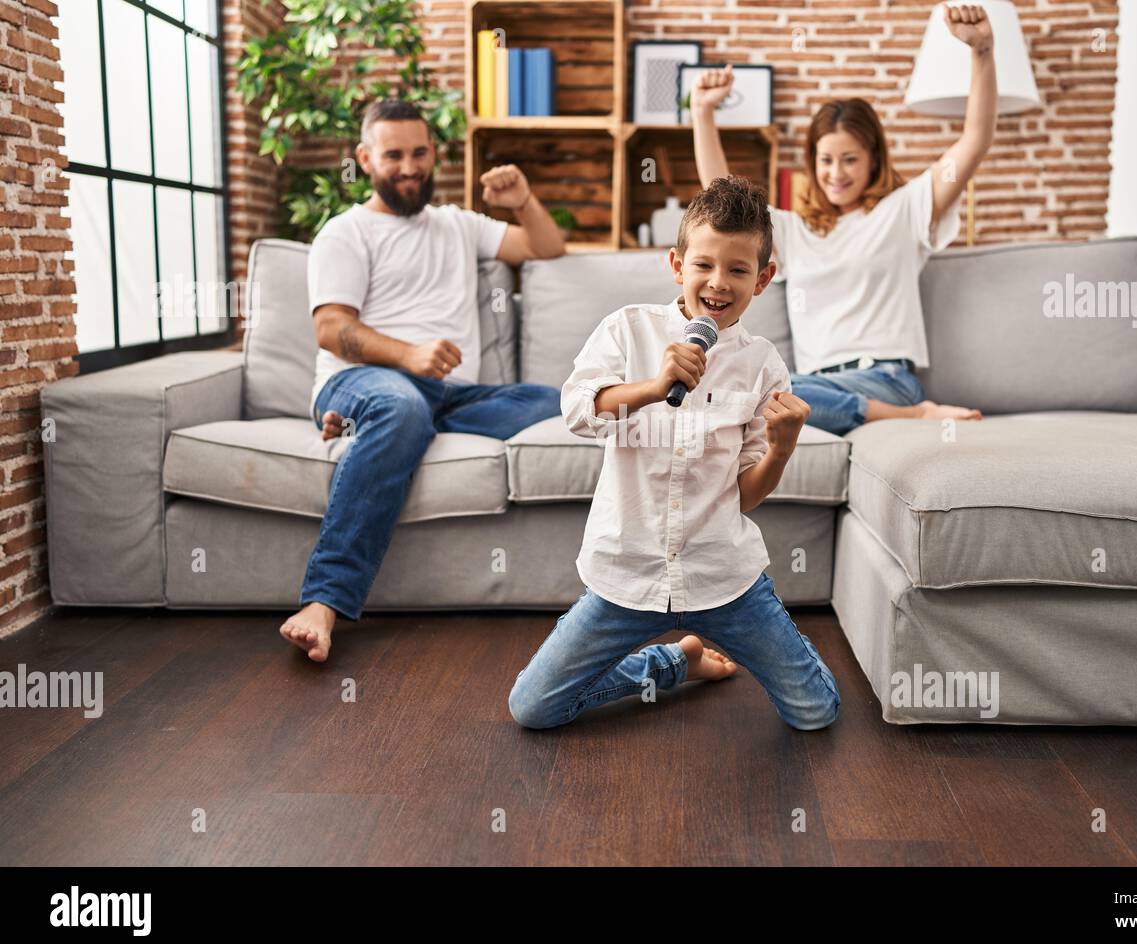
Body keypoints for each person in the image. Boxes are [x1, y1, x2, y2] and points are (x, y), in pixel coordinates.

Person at [508, 175, 841, 731]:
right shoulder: (627, 330)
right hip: (626, 575)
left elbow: (746, 498)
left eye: (738, 270)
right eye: (704, 265)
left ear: (763, 280)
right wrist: (651, 385)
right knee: (534, 707)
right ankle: (672, 663)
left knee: (816, 713)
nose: (718, 282)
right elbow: (578, 413)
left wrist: (782, 449)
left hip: (723, 578)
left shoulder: (763, 365)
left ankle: (779, 643)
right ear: (676, 265)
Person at [280, 98, 567, 662]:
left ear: (433, 154)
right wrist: (408, 355)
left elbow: (545, 247)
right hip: (362, 380)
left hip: (451, 396)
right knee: (400, 407)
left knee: (564, 404)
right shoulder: (345, 233)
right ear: (365, 158)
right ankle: (324, 601)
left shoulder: (458, 225)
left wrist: (522, 202)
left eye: (418, 153)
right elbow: (331, 327)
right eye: (393, 155)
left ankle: (368, 432)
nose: (408, 166)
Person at [689, 3, 998, 434]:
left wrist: (982, 51)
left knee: (765, 389)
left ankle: (915, 414)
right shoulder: (793, 232)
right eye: (826, 160)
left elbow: (976, 141)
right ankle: (864, 412)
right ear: (812, 163)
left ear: (873, 160)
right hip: (819, 383)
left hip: (886, 379)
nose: (837, 173)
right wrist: (702, 112)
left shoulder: (904, 210)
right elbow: (722, 200)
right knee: (745, 383)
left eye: (850, 159)